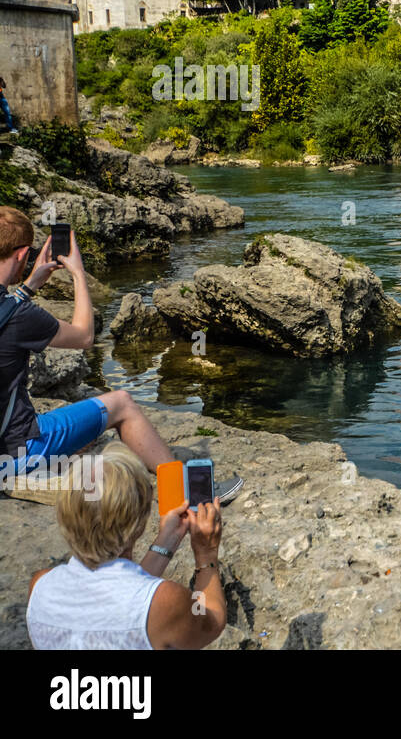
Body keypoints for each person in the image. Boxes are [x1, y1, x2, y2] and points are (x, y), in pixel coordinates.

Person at [0, 206, 240, 500]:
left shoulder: (13, 308)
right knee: (122, 404)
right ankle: (187, 493)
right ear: (23, 254)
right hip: (18, 449)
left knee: (83, 439)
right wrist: (78, 274)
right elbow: (85, 336)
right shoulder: (21, 317)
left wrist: (30, 286)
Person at [26, 442, 227, 649]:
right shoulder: (166, 601)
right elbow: (211, 620)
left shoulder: (40, 585)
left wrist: (167, 540)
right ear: (139, 524)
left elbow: (116, 597)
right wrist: (206, 555)